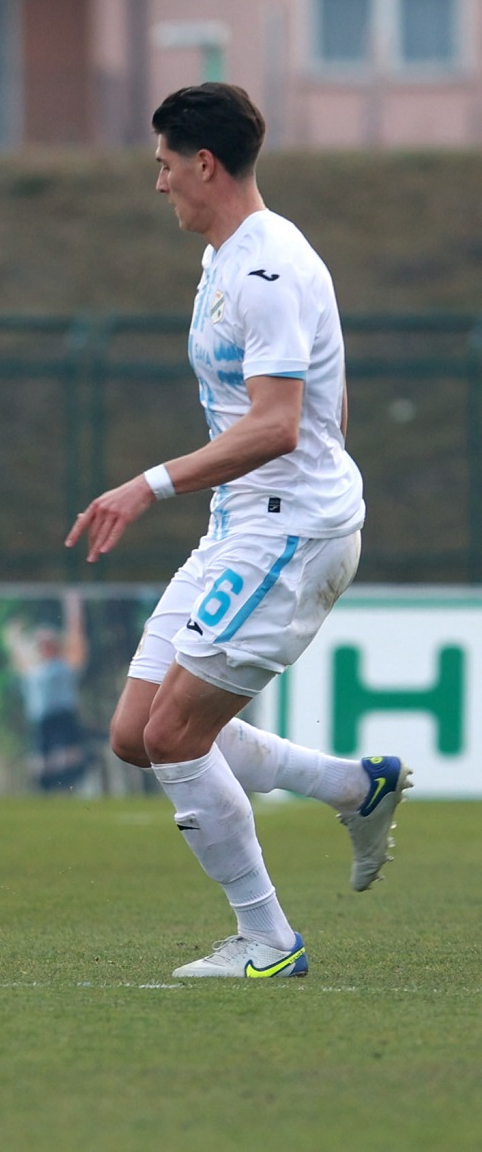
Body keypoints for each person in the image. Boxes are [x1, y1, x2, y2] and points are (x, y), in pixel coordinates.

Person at [66, 83, 408, 980]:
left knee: (178, 736)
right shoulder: (230, 255)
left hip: (289, 531)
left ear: (203, 164)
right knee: (137, 733)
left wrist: (147, 485)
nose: (160, 185)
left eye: (165, 166)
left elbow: (280, 423)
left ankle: (268, 942)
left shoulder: (266, 266)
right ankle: (350, 785)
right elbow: (324, 396)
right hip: (245, 523)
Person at [7, 591, 92, 793]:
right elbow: (17, 652)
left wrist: (73, 606)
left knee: (70, 758)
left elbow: (76, 634)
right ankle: (49, 793)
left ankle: (73, 789)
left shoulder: (66, 663)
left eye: (48, 641)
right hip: (41, 720)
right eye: (40, 643)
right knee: (42, 764)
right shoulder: (33, 669)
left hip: (64, 715)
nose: (43, 645)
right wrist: (14, 634)